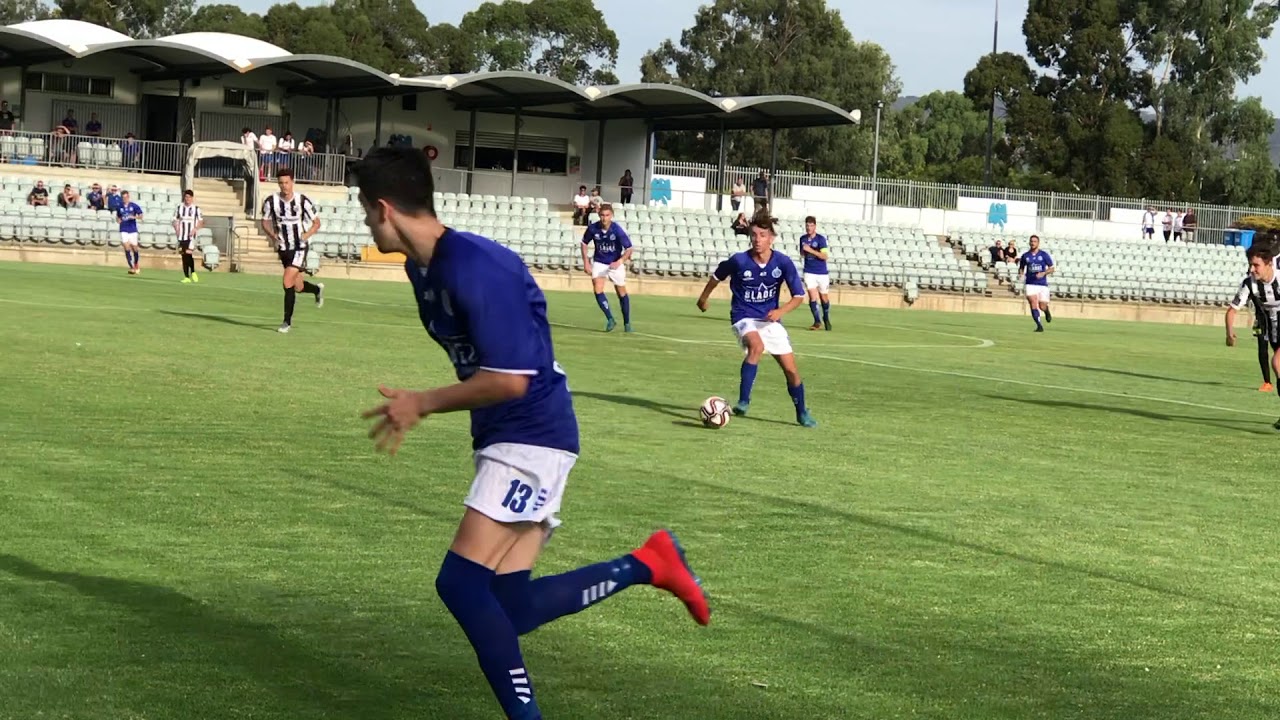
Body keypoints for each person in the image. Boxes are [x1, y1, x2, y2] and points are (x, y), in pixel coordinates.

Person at [353, 146, 710, 720]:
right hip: (506, 435)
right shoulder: (422, 269)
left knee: (462, 587)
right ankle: (649, 563)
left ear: (385, 208)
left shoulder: (474, 265)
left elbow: (512, 380)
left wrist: (423, 403)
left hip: (531, 433)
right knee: (509, 606)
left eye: (367, 210)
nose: (367, 221)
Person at [696, 211, 817, 427]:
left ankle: (801, 412)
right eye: (754, 235)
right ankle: (743, 400)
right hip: (743, 316)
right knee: (756, 346)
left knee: (791, 370)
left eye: (762, 235)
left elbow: (799, 296)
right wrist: (703, 298)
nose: (757, 239)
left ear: (771, 238)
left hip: (770, 320)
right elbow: (717, 276)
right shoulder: (739, 261)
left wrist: (781, 312)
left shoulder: (783, 263)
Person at [260, 167, 324, 333]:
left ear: (292, 182)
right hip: (283, 248)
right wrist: (272, 235)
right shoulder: (271, 201)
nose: (284, 186)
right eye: (281, 183)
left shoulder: (302, 201)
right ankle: (317, 289)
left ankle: (286, 322)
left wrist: (306, 235)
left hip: (299, 246)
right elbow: (265, 221)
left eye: (287, 182)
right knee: (297, 286)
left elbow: (317, 222)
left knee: (286, 281)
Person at [1226, 243, 1280, 429]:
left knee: (1277, 363)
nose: (1252, 269)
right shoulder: (1249, 283)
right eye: (1251, 264)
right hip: (1271, 330)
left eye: (1256, 265)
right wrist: (1229, 332)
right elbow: (1232, 310)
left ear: (1269, 264)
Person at [579, 203, 633, 332]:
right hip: (599, 261)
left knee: (621, 292)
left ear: (611, 216)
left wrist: (619, 261)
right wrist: (586, 261)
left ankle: (627, 322)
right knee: (597, 288)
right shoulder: (593, 228)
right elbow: (584, 243)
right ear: (599, 215)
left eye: (607, 215)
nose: (604, 218)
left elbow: (629, 249)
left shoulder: (617, 230)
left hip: (615, 262)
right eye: (602, 215)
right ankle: (610, 319)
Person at [798, 215, 831, 331]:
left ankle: (826, 317)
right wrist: (803, 252)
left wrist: (811, 250)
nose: (808, 227)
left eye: (811, 225)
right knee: (812, 296)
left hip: (822, 272)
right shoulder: (802, 239)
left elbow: (825, 256)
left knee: (824, 297)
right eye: (807, 225)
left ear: (815, 226)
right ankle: (817, 321)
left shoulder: (821, 239)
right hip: (809, 271)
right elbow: (802, 253)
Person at [1018, 234, 1054, 332]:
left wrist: (1044, 273)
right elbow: (1021, 268)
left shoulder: (1044, 255)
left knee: (1042, 306)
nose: (1033, 243)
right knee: (1033, 302)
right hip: (1030, 283)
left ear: (1038, 243)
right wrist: (1021, 274)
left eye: (1035, 241)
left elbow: (1052, 268)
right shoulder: (1026, 256)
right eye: (1031, 241)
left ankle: (1046, 311)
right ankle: (1039, 325)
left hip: (1042, 284)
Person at [173, 189, 204, 284]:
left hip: (191, 235)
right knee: (184, 256)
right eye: (186, 197)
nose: (187, 199)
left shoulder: (196, 209)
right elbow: (174, 220)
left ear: (192, 198)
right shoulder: (179, 208)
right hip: (182, 235)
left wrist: (195, 229)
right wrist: (176, 229)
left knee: (188, 253)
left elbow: (201, 221)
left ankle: (193, 272)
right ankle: (186, 277)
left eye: (189, 197)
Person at [116, 190, 143, 275]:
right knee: (126, 247)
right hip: (123, 229)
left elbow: (141, 216)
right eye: (123, 197)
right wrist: (118, 220)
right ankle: (131, 267)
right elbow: (118, 216)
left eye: (126, 197)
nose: (125, 199)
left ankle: (136, 264)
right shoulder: (119, 206)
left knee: (134, 248)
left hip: (132, 229)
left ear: (128, 197)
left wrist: (133, 217)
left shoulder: (134, 206)